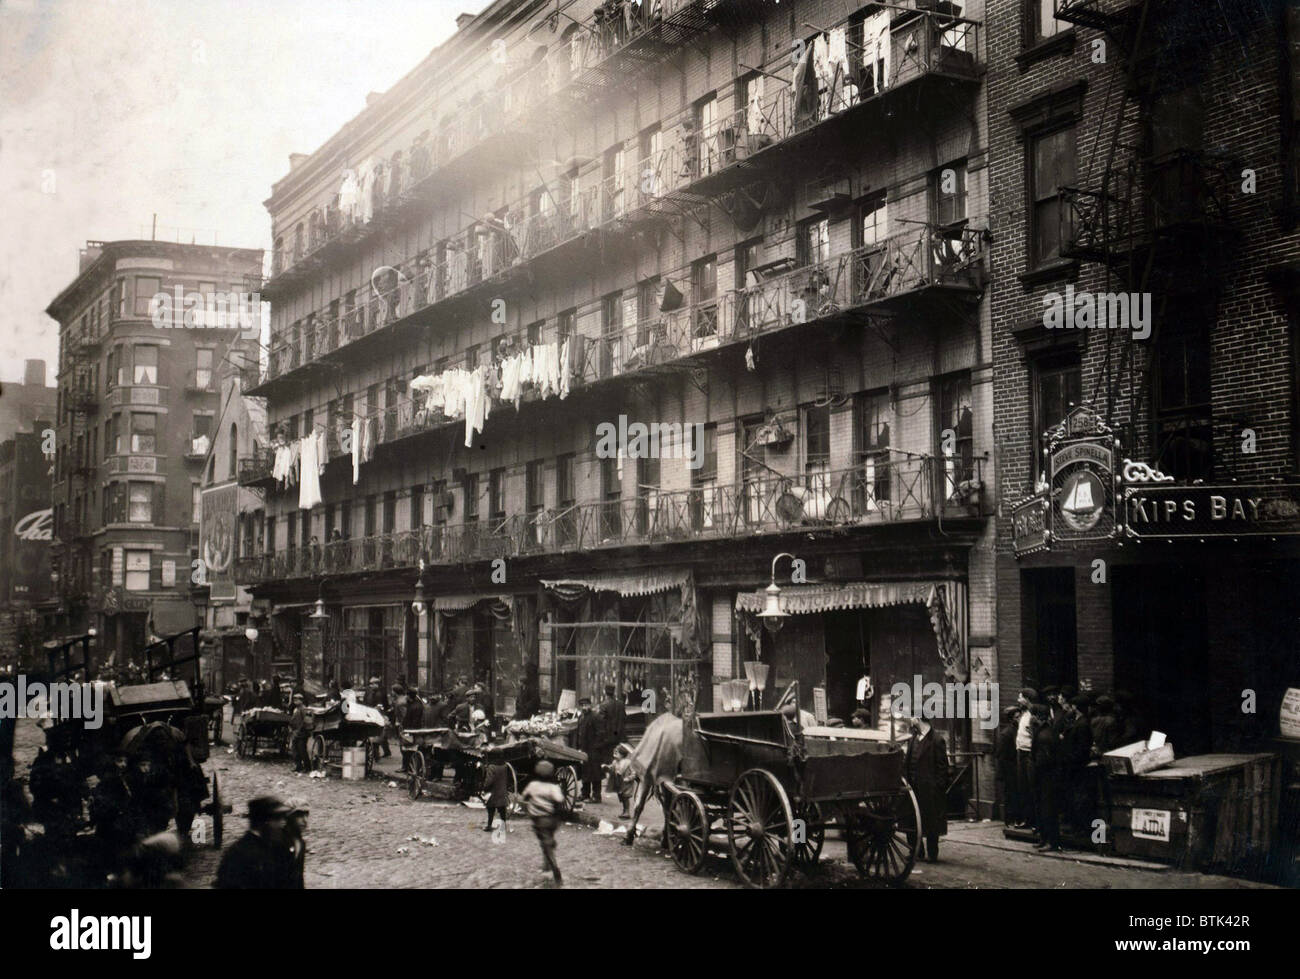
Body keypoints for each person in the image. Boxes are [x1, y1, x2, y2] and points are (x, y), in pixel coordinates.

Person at [215, 795, 301, 889]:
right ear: (262, 822)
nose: (283, 824)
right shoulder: (239, 854)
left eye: (283, 818)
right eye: (277, 819)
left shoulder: (280, 847)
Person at [902, 715, 948, 862]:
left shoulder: (937, 740)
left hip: (929, 790)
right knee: (911, 821)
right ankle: (916, 851)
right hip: (912, 789)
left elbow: (942, 767)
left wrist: (937, 787)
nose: (910, 720)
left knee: (931, 821)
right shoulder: (912, 738)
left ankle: (932, 853)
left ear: (918, 718)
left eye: (911, 717)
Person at [520, 760, 565, 886]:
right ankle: (546, 864)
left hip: (539, 820)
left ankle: (556, 870)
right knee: (547, 840)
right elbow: (560, 800)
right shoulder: (553, 787)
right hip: (553, 819)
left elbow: (524, 797)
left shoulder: (533, 785)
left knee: (546, 845)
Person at [1060, 695, 1095, 838]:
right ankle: (1078, 827)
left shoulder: (1082, 724)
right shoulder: (1079, 722)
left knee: (1079, 796)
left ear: (1076, 707)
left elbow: (1081, 748)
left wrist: (1070, 759)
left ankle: (1081, 828)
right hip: (1075, 765)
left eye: (1073, 706)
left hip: (1077, 766)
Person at [1031, 703, 1061, 852]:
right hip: (1044, 774)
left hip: (1046, 775)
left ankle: (1051, 841)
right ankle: (1045, 838)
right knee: (1043, 807)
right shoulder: (1044, 730)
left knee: (1048, 808)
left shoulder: (1045, 734)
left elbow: (1044, 757)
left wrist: (1037, 768)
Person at [1013, 688, 1036, 829]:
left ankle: (1034, 821)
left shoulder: (1034, 714)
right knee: (1023, 787)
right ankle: (1027, 819)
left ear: (1027, 699)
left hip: (1029, 753)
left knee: (1031, 787)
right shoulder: (1024, 713)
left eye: (1020, 697)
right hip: (1021, 752)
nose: (1018, 700)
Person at [994, 705, 1020, 825]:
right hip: (1010, 769)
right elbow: (1001, 754)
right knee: (1010, 794)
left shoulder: (1018, 730)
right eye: (1017, 717)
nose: (1019, 719)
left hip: (1015, 767)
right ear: (1011, 719)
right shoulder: (1006, 733)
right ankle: (1009, 819)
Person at [598, 684, 626, 795]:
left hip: (607, 737)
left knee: (608, 758)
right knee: (617, 757)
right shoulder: (620, 704)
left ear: (605, 692)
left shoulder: (604, 705)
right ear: (614, 692)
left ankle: (611, 782)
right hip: (618, 736)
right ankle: (618, 780)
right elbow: (624, 718)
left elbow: (601, 722)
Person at [575, 698, 603, 803]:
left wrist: (596, 747)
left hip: (593, 749)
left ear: (590, 705)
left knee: (595, 772)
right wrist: (578, 746)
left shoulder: (595, 717)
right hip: (583, 749)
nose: (584, 707)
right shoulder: (581, 717)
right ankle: (585, 794)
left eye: (586, 705)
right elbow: (579, 733)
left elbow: (600, 733)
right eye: (582, 705)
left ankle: (596, 795)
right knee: (585, 772)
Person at [481, 762, 510, 832]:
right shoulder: (505, 766)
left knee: (490, 809)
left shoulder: (491, 767)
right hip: (502, 790)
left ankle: (489, 826)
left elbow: (489, 781)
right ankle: (503, 826)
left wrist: (485, 788)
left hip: (493, 791)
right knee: (502, 809)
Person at [286, 806, 309, 888]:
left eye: (307, 815)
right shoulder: (278, 841)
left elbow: (299, 876)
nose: (305, 820)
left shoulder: (301, 843)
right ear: (289, 817)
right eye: (299, 816)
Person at [290, 694, 312, 773]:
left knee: (302, 750)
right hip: (296, 732)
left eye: (297, 699)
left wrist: (300, 730)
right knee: (295, 750)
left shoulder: (304, 709)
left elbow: (307, 721)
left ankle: (307, 767)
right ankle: (298, 766)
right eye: (294, 699)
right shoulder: (296, 709)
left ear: (301, 700)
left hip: (302, 732)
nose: (295, 701)